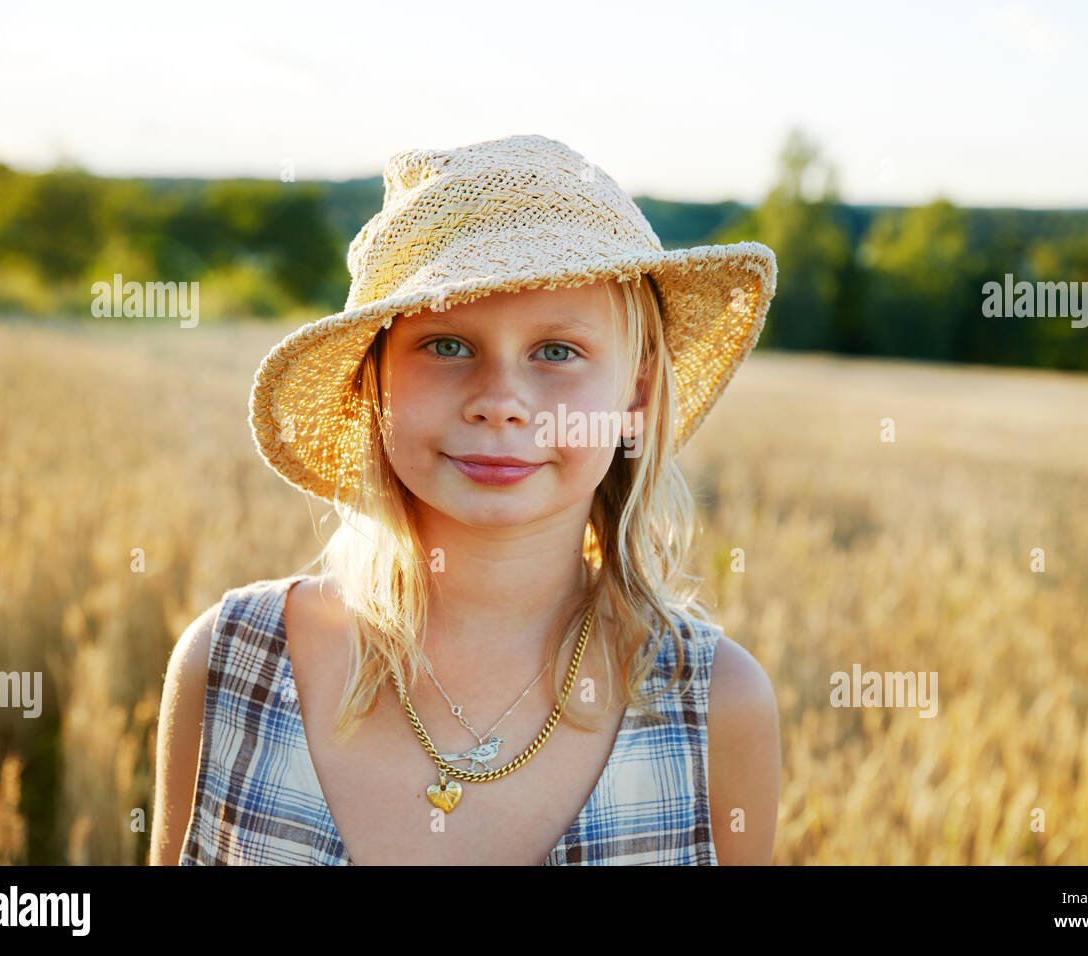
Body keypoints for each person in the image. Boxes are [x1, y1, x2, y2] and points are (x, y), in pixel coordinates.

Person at [150, 134, 781, 865]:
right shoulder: (232, 666)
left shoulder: (715, 707)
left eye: (557, 351)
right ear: (371, 382)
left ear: (635, 395)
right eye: (447, 344)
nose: (501, 402)